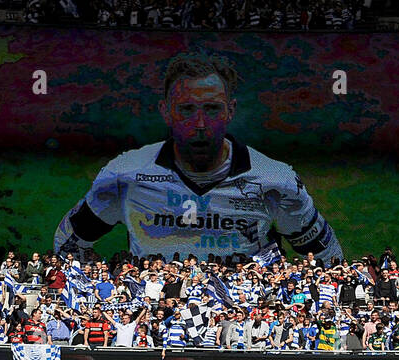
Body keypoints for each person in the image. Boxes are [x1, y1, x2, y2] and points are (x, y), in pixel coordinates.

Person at [55, 51, 342, 263]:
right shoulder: (125, 175)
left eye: (212, 109)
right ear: (166, 111)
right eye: (187, 109)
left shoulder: (276, 181)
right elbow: (67, 246)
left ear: (231, 110)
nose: (201, 123)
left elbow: (328, 259)